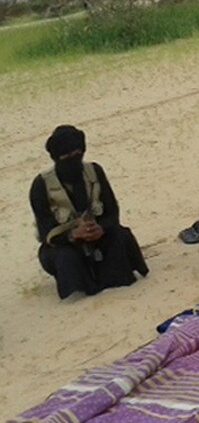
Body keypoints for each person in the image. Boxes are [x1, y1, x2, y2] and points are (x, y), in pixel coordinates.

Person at [30, 125, 148, 299]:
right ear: (56, 158)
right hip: (66, 244)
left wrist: (101, 228)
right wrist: (73, 235)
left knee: (120, 236)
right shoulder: (41, 185)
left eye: (78, 154)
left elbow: (112, 211)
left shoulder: (94, 172)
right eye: (67, 156)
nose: (74, 160)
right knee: (65, 257)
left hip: (98, 237)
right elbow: (46, 232)